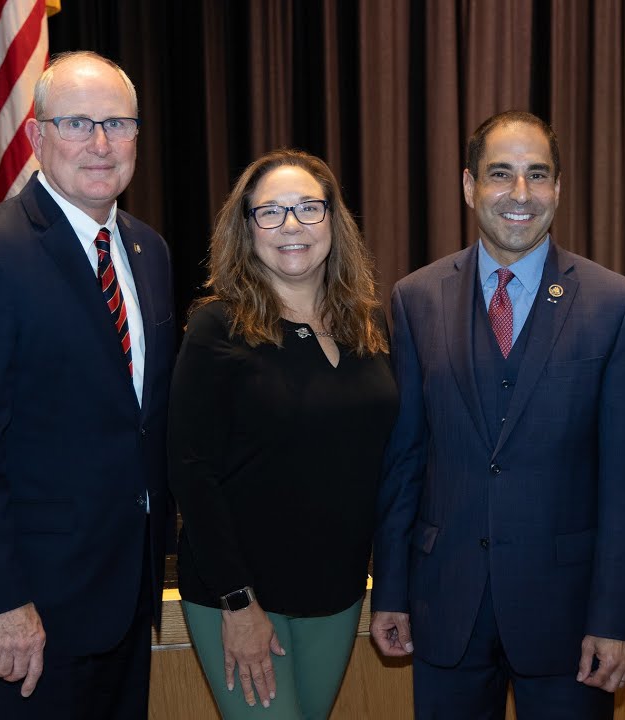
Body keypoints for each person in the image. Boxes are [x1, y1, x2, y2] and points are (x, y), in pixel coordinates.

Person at [0, 50, 177, 718]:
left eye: (117, 124)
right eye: (77, 123)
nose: (99, 143)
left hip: (123, 597)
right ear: (35, 136)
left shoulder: (149, 251)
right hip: (27, 610)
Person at [370, 111, 625, 719]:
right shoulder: (415, 299)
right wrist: (390, 588)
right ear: (470, 187)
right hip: (445, 604)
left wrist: (616, 617)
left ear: (558, 188)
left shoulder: (617, 305)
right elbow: (406, 459)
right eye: (501, 174)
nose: (520, 194)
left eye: (537, 175)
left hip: (571, 621)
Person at [168, 148, 399, 719]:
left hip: (337, 590)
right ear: (247, 229)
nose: (291, 226)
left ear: (333, 221)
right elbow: (192, 473)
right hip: (243, 595)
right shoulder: (216, 327)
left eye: (307, 209)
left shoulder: (366, 325)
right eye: (270, 212)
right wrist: (238, 603)